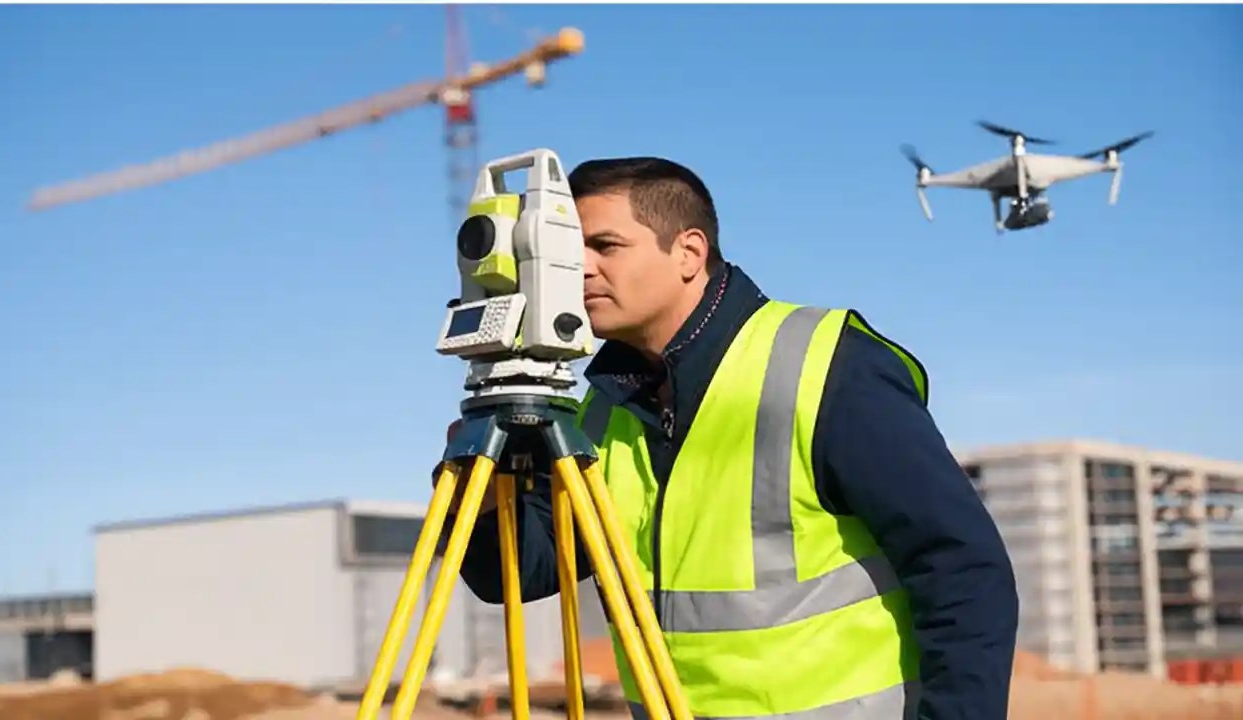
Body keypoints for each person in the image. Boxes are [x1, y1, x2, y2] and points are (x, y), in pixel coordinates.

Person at [437, 156, 1019, 720]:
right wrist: (479, 491)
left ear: (688, 252)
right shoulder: (601, 411)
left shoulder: (823, 366)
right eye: (569, 251)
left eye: (605, 246)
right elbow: (519, 574)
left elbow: (961, 569)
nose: (580, 269)